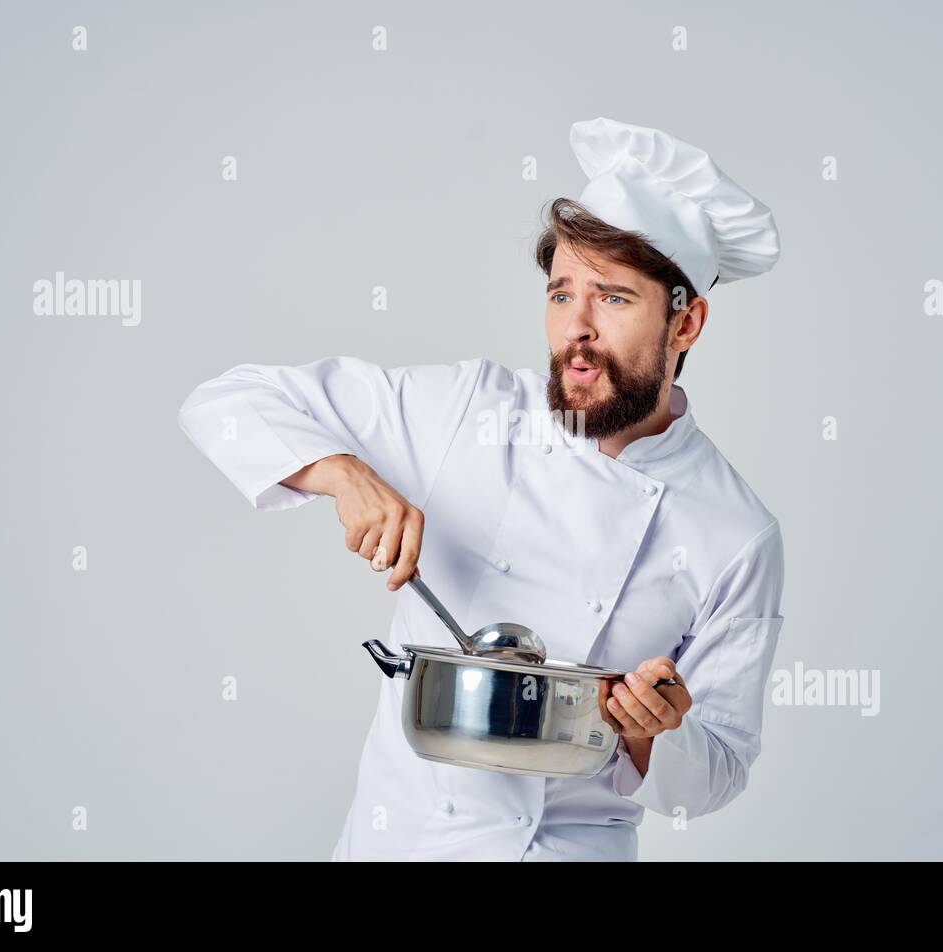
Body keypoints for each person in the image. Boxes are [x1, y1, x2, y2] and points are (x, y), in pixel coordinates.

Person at [178, 117, 786, 861]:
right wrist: (342, 475)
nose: (578, 330)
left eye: (614, 300)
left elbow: (713, 779)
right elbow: (222, 404)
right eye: (562, 295)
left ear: (685, 322)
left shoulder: (736, 531)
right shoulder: (470, 411)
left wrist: (658, 730)